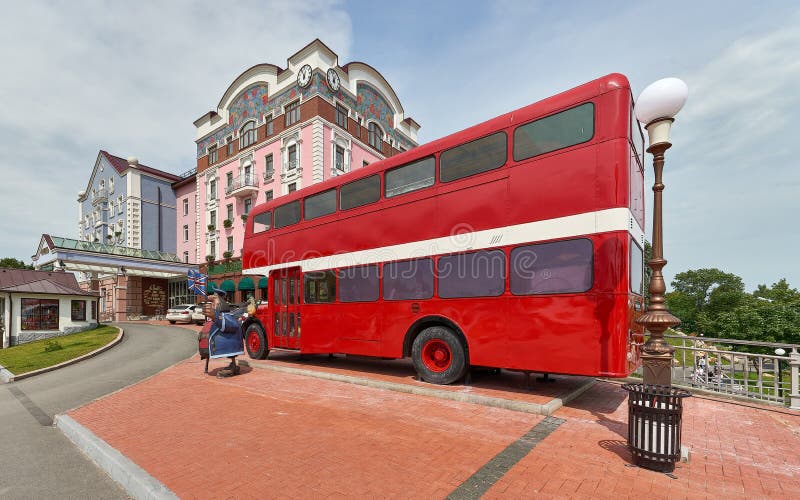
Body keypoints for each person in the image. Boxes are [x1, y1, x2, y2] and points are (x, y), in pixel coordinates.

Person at [208, 288, 240, 377]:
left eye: (215, 297)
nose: (213, 302)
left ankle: (232, 366)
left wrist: (215, 318)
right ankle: (233, 364)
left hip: (229, 339)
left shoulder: (226, 316)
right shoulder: (219, 311)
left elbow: (229, 325)